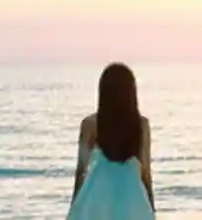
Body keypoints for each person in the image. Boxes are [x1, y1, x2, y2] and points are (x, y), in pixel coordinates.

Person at [67, 63, 156, 219]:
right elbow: (146, 173)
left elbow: (81, 171)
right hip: (133, 197)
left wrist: (74, 207)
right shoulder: (141, 125)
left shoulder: (90, 124)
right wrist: (151, 208)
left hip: (98, 196)